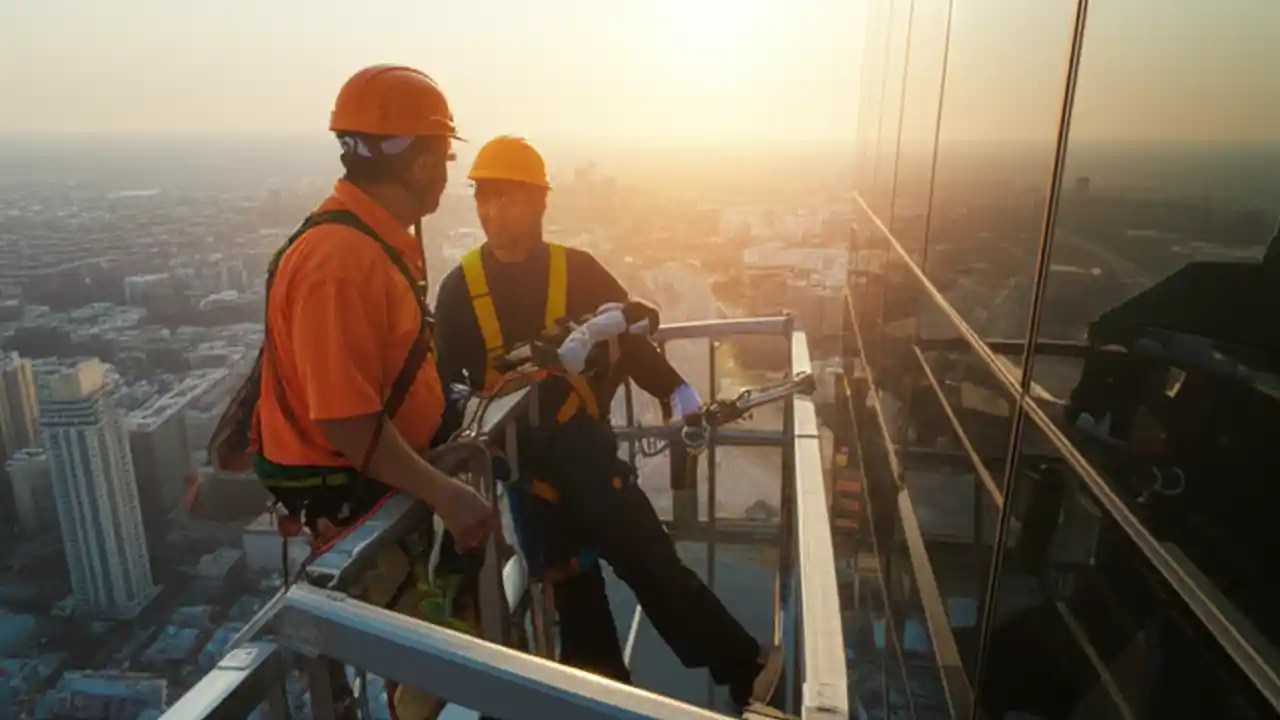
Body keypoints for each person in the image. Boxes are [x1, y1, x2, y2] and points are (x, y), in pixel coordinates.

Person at [435, 135, 781, 710]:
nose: (493, 211)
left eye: (507, 197)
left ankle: (745, 673)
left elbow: (630, 339)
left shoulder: (577, 270)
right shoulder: (459, 292)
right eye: (484, 198)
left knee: (653, 566)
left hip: (588, 461)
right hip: (529, 478)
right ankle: (608, 707)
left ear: (539, 203)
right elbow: (450, 393)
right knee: (579, 610)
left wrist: (677, 388)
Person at [246, 64, 494, 551]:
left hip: (377, 490)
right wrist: (441, 492)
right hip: (352, 516)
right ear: (421, 164)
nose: (446, 173)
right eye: (444, 156)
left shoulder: (368, 241)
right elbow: (346, 419)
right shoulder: (340, 262)